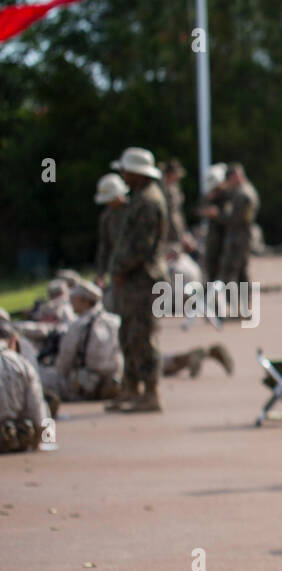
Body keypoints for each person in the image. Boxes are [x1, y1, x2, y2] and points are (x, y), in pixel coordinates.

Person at [107, 146, 168, 412]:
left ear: (137, 173)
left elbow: (140, 247)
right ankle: (132, 388)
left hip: (144, 279)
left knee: (144, 336)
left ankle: (151, 392)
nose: (122, 174)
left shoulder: (148, 201)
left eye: (126, 170)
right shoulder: (140, 198)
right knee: (129, 335)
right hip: (135, 280)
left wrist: (120, 268)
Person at [55, 281, 123, 401]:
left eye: (74, 299)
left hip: (86, 384)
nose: (71, 302)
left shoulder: (78, 325)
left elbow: (65, 360)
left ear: (85, 301)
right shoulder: (115, 320)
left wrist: (60, 374)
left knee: (43, 376)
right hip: (114, 377)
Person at [0, 316, 51, 453]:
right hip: (15, 436)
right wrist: (47, 439)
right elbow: (38, 408)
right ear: (13, 340)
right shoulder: (23, 364)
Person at [214, 162, 259, 286]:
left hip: (240, 237)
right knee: (241, 271)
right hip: (241, 236)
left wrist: (217, 215)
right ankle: (243, 300)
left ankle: (236, 300)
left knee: (233, 270)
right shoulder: (242, 191)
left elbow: (236, 219)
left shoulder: (243, 194)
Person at [94, 173, 130, 305]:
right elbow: (104, 246)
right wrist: (101, 272)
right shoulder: (106, 217)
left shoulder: (134, 210)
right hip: (117, 267)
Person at [198, 163, 227, 283]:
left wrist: (218, 215)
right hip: (214, 239)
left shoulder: (229, 196)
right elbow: (198, 209)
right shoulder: (211, 197)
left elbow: (231, 219)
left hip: (226, 240)